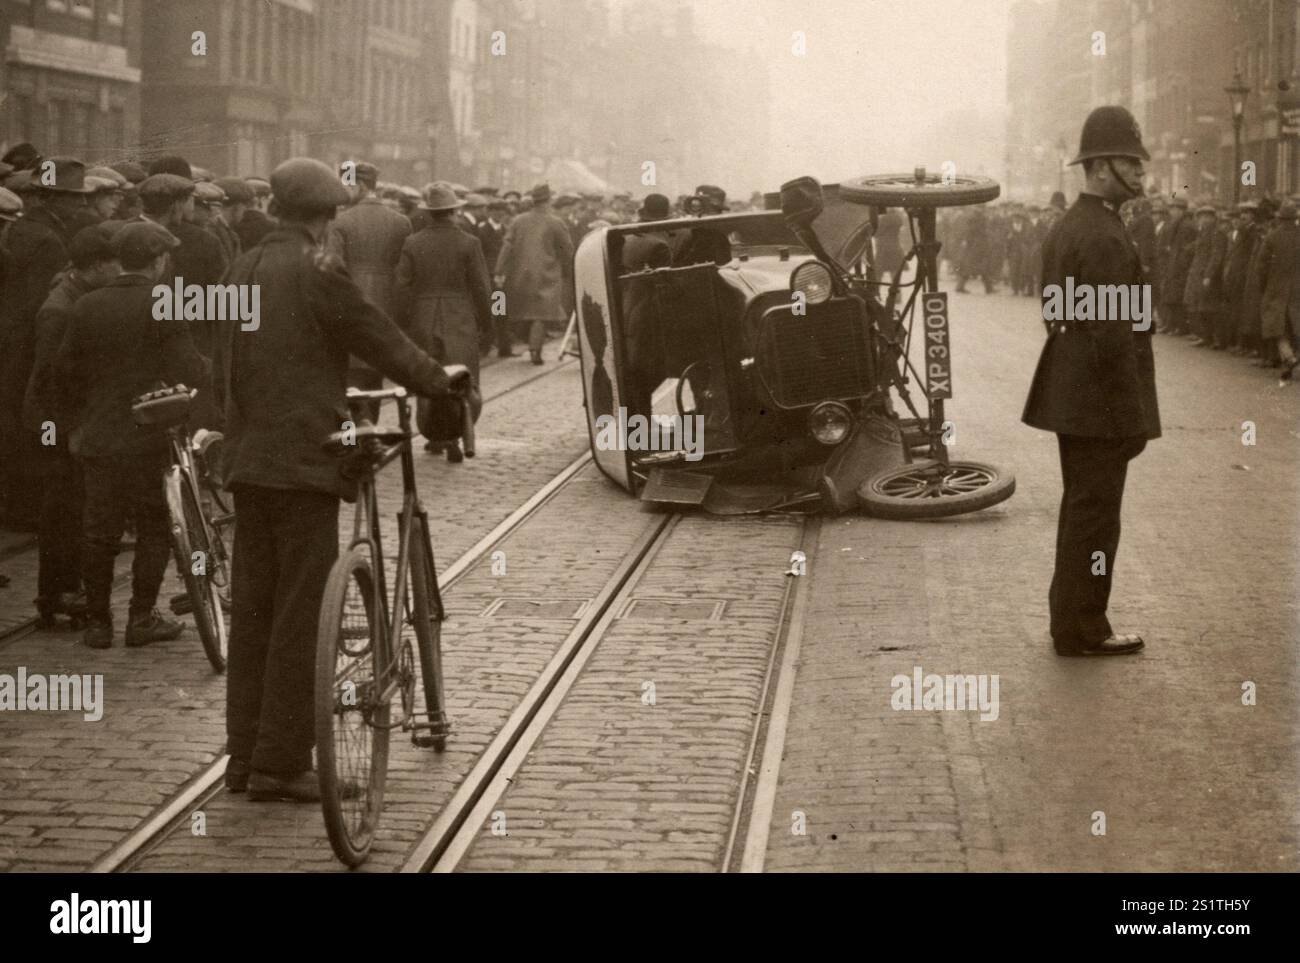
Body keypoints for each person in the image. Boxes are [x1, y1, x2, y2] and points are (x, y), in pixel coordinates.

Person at [214, 157, 457, 802]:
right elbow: (371, 332)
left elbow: (229, 356)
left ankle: (245, 755)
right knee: (300, 616)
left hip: (250, 464)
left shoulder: (241, 265)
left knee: (256, 614)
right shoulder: (316, 267)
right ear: (324, 218)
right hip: (301, 463)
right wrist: (437, 380)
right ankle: (282, 764)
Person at [1022, 105, 1160, 657]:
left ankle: (1070, 622)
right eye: (1132, 162)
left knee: (1081, 509)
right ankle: (1085, 628)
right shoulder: (1103, 235)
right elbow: (1112, 336)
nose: (1142, 173)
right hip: (1100, 401)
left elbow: (1056, 307)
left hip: (1074, 393)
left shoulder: (1074, 225)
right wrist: (1131, 419)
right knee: (1096, 518)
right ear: (1102, 167)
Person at [55, 221, 208, 649]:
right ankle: (141, 618)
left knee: (98, 531)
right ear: (159, 261)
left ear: (120, 259)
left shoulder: (86, 305)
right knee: (155, 527)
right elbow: (189, 369)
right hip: (149, 435)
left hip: (100, 436)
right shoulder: (165, 302)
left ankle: (98, 624)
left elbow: (64, 372)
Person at [0, 156, 86, 532]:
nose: (80, 204)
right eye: (73, 197)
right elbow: (40, 301)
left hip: (10, 340)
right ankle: (26, 509)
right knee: (34, 426)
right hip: (28, 343)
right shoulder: (50, 240)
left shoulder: (18, 231)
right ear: (54, 198)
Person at [394, 182, 492, 462]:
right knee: (461, 380)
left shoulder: (413, 242)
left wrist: (402, 321)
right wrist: (489, 323)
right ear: (454, 212)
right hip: (459, 317)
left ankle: (436, 435)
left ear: (430, 213)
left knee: (430, 378)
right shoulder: (469, 243)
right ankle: (457, 435)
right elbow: (484, 290)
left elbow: (402, 286)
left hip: (424, 317)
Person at [326, 161, 412, 398]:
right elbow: (405, 270)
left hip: (352, 300)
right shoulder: (401, 221)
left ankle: (353, 430)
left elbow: (334, 268)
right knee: (375, 373)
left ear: (361, 185)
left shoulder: (339, 221)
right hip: (388, 304)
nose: (343, 192)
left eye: (347, 185)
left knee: (350, 377)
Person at [494, 183, 574, 365]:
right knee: (541, 315)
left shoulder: (518, 220)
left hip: (519, 274)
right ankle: (535, 351)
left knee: (521, 311)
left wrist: (499, 270)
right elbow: (567, 250)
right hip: (547, 275)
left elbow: (506, 247)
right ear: (549, 200)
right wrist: (570, 271)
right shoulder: (556, 222)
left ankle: (518, 343)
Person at [1256, 200, 1300, 380]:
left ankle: (1289, 358)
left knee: (1277, 328)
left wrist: (1264, 286)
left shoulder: (1272, 237)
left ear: (1280, 218)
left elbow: (1261, 266)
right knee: (1296, 326)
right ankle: (1290, 360)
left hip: (1276, 288)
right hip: (1298, 289)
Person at [478, 199, 513, 357]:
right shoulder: (481, 230)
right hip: (488, 276)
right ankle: (487, 345)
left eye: (502, 211)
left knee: (500, 311)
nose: (499, 214)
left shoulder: (506, 230)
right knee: (489, 311)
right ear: (489, 212)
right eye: (496, 210)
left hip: (502, 277)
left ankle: (503, 347)